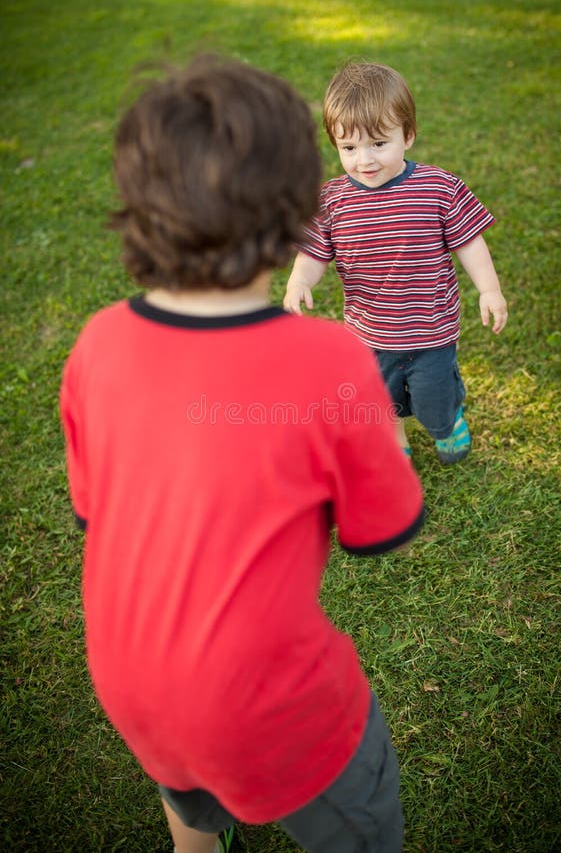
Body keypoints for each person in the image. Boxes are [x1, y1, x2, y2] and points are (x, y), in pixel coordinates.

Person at [60, 53, 425, 853]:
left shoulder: (97, 343)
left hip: (130, 683)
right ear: (296, 209)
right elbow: (385, 531)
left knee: (190, 784)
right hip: (267, 704)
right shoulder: (330, 361)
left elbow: (97, 511)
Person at [284, 60, 508, 462]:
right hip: (369, 334)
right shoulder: (332, 201)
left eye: (378, 144)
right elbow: (314, 252)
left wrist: (489, 290)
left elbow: (470, 243)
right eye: (349, 148)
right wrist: (299, 281)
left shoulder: (438, 188)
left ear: (408, 135)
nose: (364, 160)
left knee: (434, 398)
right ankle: (394, 435)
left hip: (431, 331)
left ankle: (446, 423)